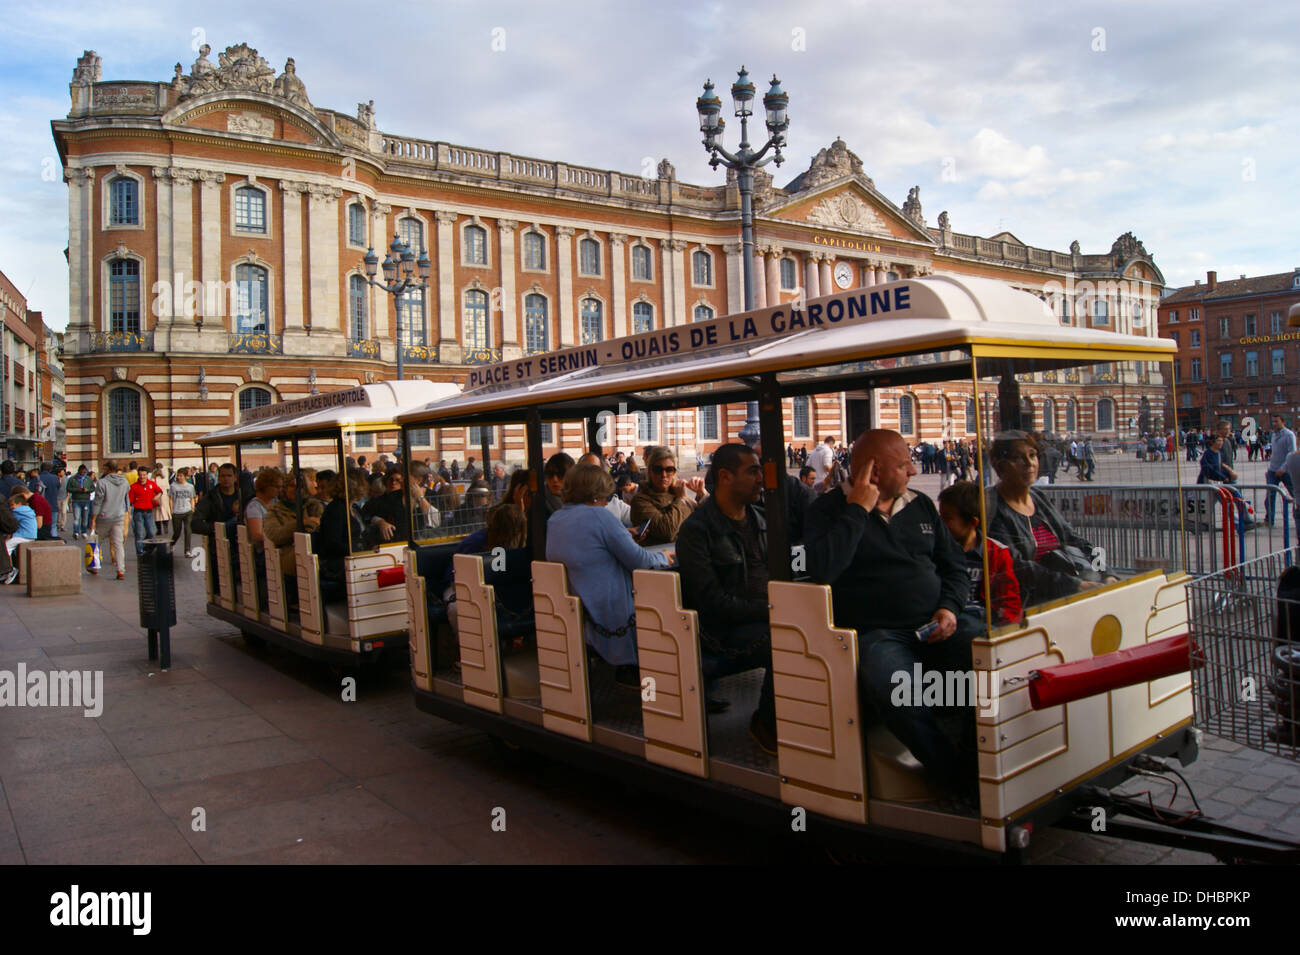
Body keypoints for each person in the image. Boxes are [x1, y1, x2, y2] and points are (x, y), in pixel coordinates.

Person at [804, 429, 979, 797]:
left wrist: (949, 607)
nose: (914, 470)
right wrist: (857, 510)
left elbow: (954, 568)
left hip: (936, 622)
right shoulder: (827, 511)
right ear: (876, 472)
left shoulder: (920, 504)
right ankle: (953, 774)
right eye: (904, 464)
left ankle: (979, 755)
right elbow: (823, 569)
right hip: (878, 633)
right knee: (895, 689)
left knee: (993, 656)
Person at [675, 443, 777, 750]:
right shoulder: (698, 530)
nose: (761, 478)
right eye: (752, 471)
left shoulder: (761, 520)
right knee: (787, 640)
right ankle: (766, 724)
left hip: (760, 617)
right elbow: (712, 603)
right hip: (720, 633)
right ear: (725, 477)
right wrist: (771, 610)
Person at [546, 463, 671, 686]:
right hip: (610, 610)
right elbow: (641, 562)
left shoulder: (555, 519)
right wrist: (665, 557)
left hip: (579, 608)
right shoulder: (600, 516)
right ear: (596, 494)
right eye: (606, 496)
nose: (607, 501)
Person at [985, 433, 1115, 608]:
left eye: (1032, 455)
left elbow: (1075, 539)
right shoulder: (992, 507)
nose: (1029, 463)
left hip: (1065, 594)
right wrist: (1075, 585)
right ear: (1000, 467)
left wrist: (1106, 573)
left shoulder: (1039, 498)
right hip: (1028, 603)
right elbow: (1016, 566)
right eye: (1018, 458)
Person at [937, 481, 1022, 627]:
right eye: (940, 517)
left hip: (982, 624)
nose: (941, 524)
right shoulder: (936, 550)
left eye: (948, 518)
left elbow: (1009, 602)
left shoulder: (996, 553)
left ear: (972, 522)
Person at [630, 446, 708, 546]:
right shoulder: (640, 500)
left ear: (674, 472)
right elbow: (668, 531)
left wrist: (702, 494)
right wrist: (681, 500)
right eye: (658, 469)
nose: (664, 475)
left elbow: (707, 520)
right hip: (660, 557)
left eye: (669, 470)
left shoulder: (676, 493)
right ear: (650, 471)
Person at [89, 459, 131, 579]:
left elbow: (97, 502)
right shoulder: (125, 482)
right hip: (119, 516)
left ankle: (95, 567)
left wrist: (93, 519)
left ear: (107, 469)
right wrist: (127, 511)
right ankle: (120, 570)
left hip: (104, 516)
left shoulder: (102, 483)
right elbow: (126, 498)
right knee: (118, 544)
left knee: (97, 542)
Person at [579, 452, 632, 526]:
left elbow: (636, 516)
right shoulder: (570, 507)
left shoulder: (613, 502)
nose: (589, 475)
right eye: (584, 470)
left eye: (594, 470)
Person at [1265, 415, 1296, 527]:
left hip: (1286, 470)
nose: (1274, 424)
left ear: (1283, 422)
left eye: (1276, 421)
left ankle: (1298, 516)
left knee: (1295, 493)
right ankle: (1269, 519)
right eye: (1273, 421)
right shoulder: (1273, 435)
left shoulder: (1289, 435)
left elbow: (1291, 452)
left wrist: (1283, 468)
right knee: (1270, 495)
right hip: (1273, 470)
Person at [127, 467, 163, 556]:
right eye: (140, 475)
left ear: (147, 475)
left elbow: (160, 491)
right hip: (138, 512)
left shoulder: (152, 484)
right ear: (138, 475)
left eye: (144, 475)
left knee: (152, 532)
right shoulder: (133, 487)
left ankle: (148, 547)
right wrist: (129, 514)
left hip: (149, 512)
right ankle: (140, 551)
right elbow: (130, 502)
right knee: (139, 533)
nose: (142, 477)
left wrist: (157, 497)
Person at [5, 488, 40, 577]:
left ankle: (9, 570)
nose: (11, 507)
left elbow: (11, 523)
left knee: (5, 548)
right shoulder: (28, 510)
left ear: (19, 504)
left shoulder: (17, 512)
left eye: (12, 505)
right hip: (31, 535)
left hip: (23, 535)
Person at [169, 467, 197, 556]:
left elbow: (192, 498)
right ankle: (172, 544)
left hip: (187, 511)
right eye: (178, 476)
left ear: (185, 477)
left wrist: (192, 508)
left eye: (181, 476)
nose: (179, 477)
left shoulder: (190, 486)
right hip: (177, 511)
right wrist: (171, 510)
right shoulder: (173, 486)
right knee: (177, 532)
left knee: (188, 530)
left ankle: (187, 551)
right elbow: (170, 498)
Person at [151, 468, 172, 540]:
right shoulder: (164, 479)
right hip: (165, 496)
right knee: (165, 512)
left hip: (156, 497)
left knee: (157, 514)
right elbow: (168, 487)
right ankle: (166, 527)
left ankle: (159, 530)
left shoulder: (153, 480)